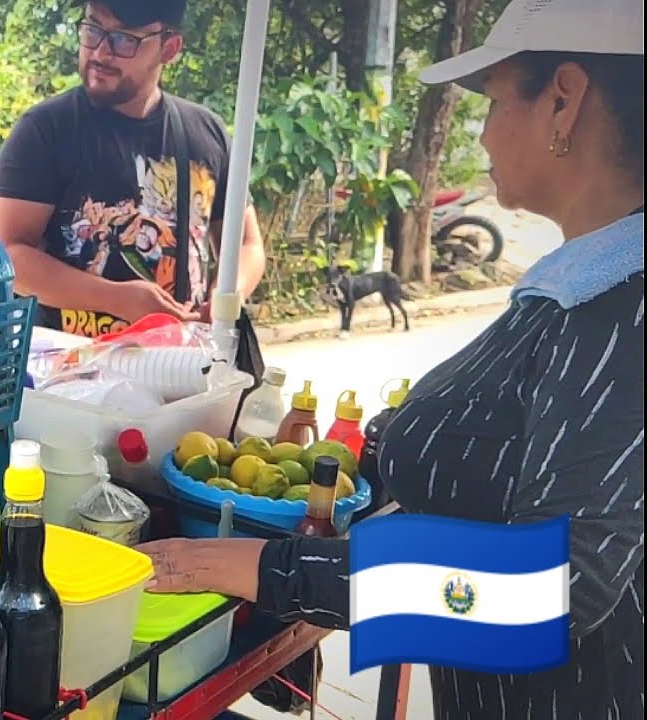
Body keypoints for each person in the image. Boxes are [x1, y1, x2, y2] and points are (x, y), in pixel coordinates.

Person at [137, 0, 644, 717]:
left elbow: (552, 592)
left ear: (563, 100)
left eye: (494, 101)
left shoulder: (625, 310)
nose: (482, 131)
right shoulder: (580, 289)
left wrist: (279, 570)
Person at [0, 0, 265, 339]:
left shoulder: (206, 132)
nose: (101, 52)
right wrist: (117, 299)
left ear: (169, 48)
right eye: (93, 29)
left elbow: (247, 244)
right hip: (70, 365)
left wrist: (224, 298)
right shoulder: (46, 129)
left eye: (124, 39)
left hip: (183, 362)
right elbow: (6, 255)